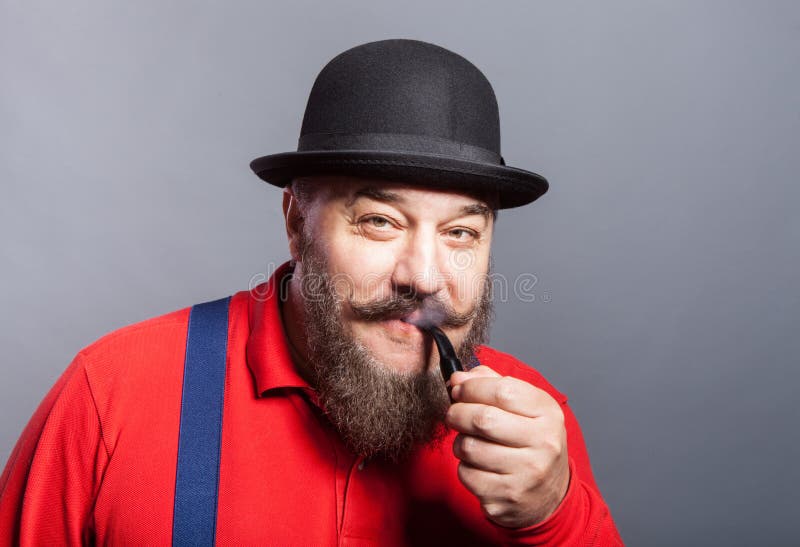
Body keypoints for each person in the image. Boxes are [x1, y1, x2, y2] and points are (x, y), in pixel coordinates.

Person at [0, 39, 623, 545]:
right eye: (380, 221)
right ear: (296, 221)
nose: (425, 277)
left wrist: (553, 516)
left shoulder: (534, 427)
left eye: (461, 232)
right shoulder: (110, 394)